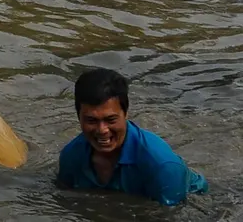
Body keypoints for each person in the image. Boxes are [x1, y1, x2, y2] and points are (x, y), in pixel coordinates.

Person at [56, 68, 208, 206]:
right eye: (91, 120)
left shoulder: (161, 165)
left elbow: (171, 216)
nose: (102, 130)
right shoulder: (71, 155)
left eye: (111, 120)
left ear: (126, 113)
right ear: (78, 117)